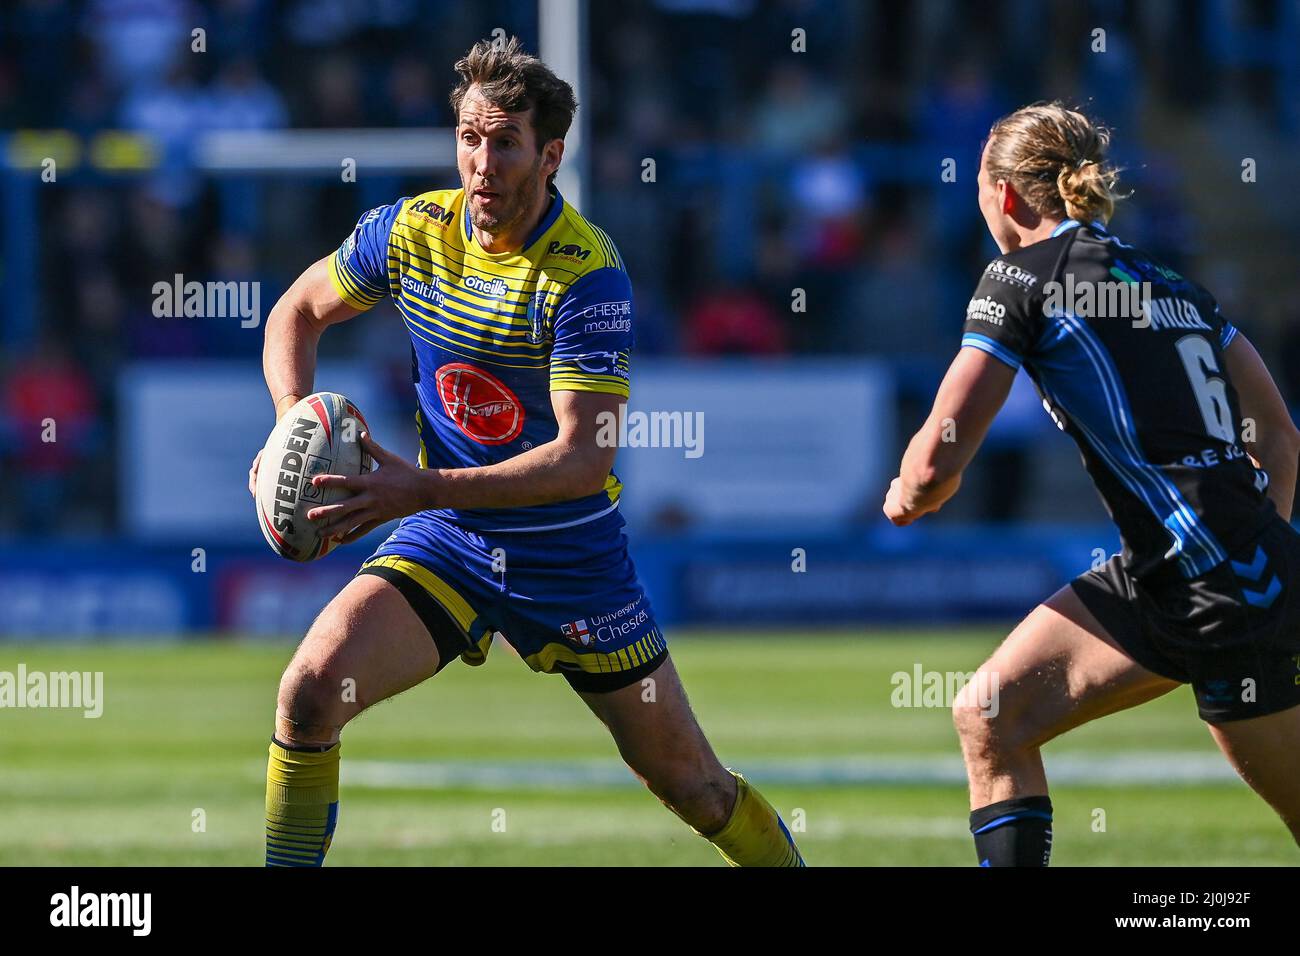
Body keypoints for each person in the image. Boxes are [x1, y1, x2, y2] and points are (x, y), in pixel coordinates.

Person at [251, 37, 803, 868]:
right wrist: (290, 421)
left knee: (693, 786)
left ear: (550, 156)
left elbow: (584, 460)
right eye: (469, 138)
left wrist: (419, 488)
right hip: (451, 541)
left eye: (505, 143)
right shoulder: (412, 231)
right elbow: (296, 311)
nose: (482, 163)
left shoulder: (586, 275)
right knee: (309, 694)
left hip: (571, 557)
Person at [884, 102, 1300, 866]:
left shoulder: (1019, 277)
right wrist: (1258, 549)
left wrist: (907, 494)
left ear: (1004, 195)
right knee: (991, 713)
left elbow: (937, 461)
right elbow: (1279, 432)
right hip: (1210, 569)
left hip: (1211, 583)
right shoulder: (1173, 283)